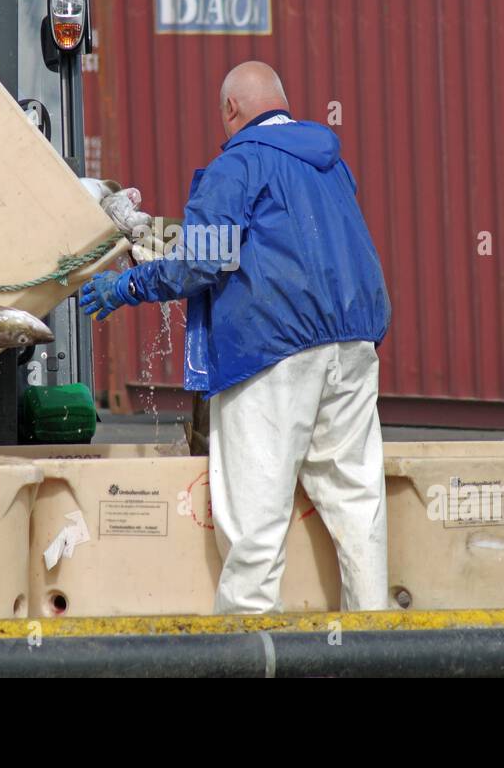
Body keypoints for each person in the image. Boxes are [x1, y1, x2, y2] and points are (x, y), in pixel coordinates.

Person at [80, 61, 392, 614]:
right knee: (356, 502)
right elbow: (274, 246)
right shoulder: (329, 164)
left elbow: (203, 263)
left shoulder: (238, 164)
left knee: (253, 520)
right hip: (354, 346)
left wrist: (125, 286)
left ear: (231, 111)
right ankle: (375, 644)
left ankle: (247, 652)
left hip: (272, 352)